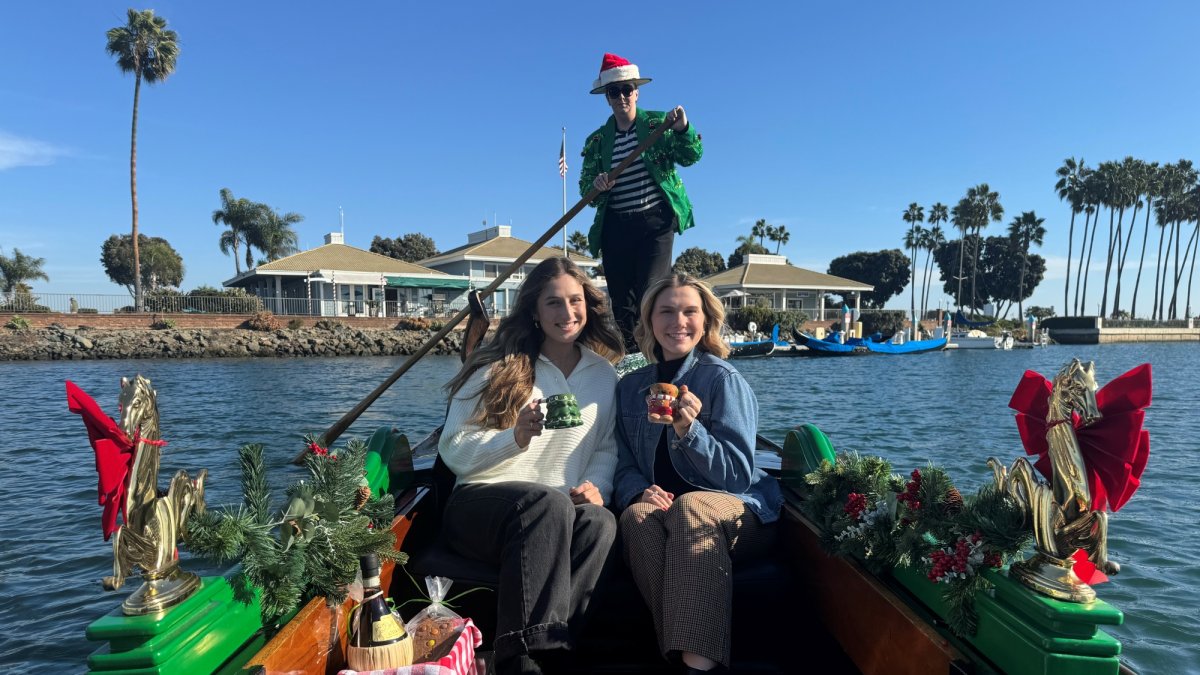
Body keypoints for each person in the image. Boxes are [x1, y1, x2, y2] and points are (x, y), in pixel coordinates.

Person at [439, 256, 625, 675]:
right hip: (479, 506)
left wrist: (596, 487)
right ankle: (520, 664)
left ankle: (550, 656)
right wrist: (514, 438)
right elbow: (453, 449)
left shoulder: (603, 375)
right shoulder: (496, 365)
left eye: (575, 301)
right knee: (547, 503)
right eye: (553, 302)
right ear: (535, 312)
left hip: (555, 509)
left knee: (601, 523)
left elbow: (605, 448)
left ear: (588, 306)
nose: (567, 312)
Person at [613, 273, 783, 674]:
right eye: (666, 311)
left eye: (690, 311)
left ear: (705, 321)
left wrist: (690, 430)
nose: (678, 322)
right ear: (650, 321)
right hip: (664, 509)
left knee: (690, 508)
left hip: (739, 511)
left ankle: (697, 668)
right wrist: (638, 492)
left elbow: (737, 476)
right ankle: (688, 662)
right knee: (636, 517)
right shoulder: (630, 387)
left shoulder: (723, 379)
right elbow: (623, 464)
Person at [580, 52, 703, 354]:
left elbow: (691, 156)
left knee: (651, 290)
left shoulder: (659, 125)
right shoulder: (597, 141)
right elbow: (586, 189)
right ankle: (633, 358)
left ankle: (657, 354)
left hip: (655, 224)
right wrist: (597, 185)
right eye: (614, 92)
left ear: (636, 92)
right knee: (622, 301)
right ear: (607, 98)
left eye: (626, 90)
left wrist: (683, 128)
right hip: (616, 226)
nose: (621, 97)